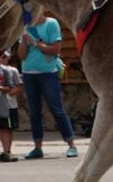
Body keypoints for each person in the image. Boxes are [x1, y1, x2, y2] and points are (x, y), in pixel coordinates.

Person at [19, 10, 78, 159]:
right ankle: (37, 146)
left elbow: (56, 49)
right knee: (34, 112)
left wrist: (35, 43)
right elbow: (21, 55)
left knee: (57, 109)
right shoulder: (26, 27)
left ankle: (71, 144)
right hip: (29, 72)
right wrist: (24, 41)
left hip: (48, 73)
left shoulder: (51, 24)